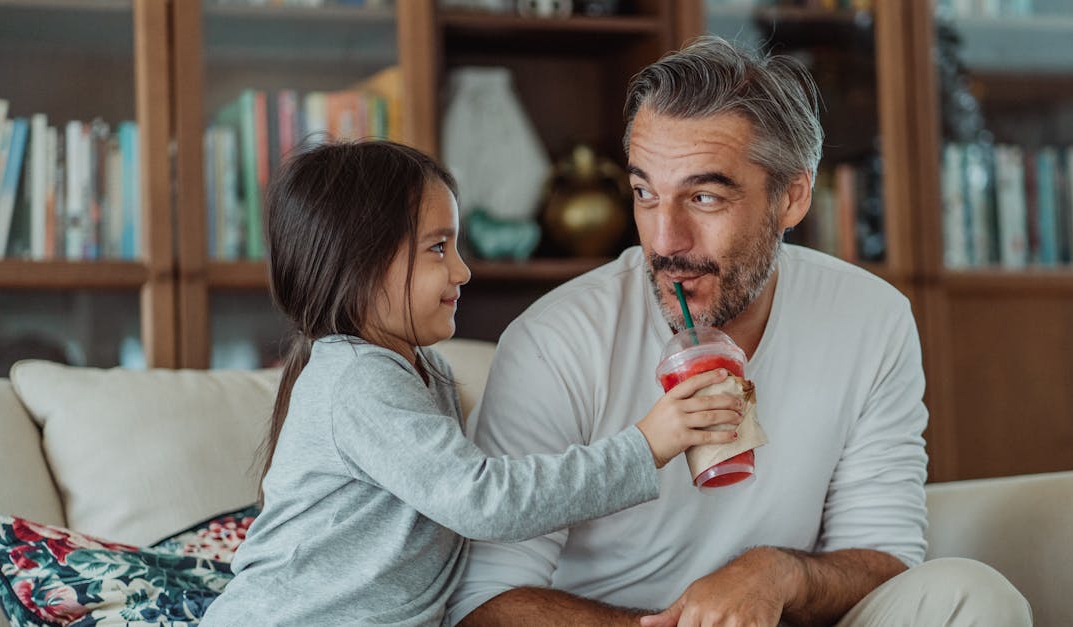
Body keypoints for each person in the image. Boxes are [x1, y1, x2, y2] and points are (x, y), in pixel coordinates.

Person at [449, 37, 1033, 626]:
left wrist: (779, 573)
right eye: (646, 194)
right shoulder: (558, 340)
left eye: (703, 197)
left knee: (971, 593)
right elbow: (486, 602)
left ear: (792, 197)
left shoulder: (870, 317)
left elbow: (885, 555)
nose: (665, 240)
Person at [198, 140, 747, 626]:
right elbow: (483, 501)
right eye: (439, 248)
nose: (462, 271)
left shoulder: (422, 369)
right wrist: (646, 446)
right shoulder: (357, 380)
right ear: (361, 264)